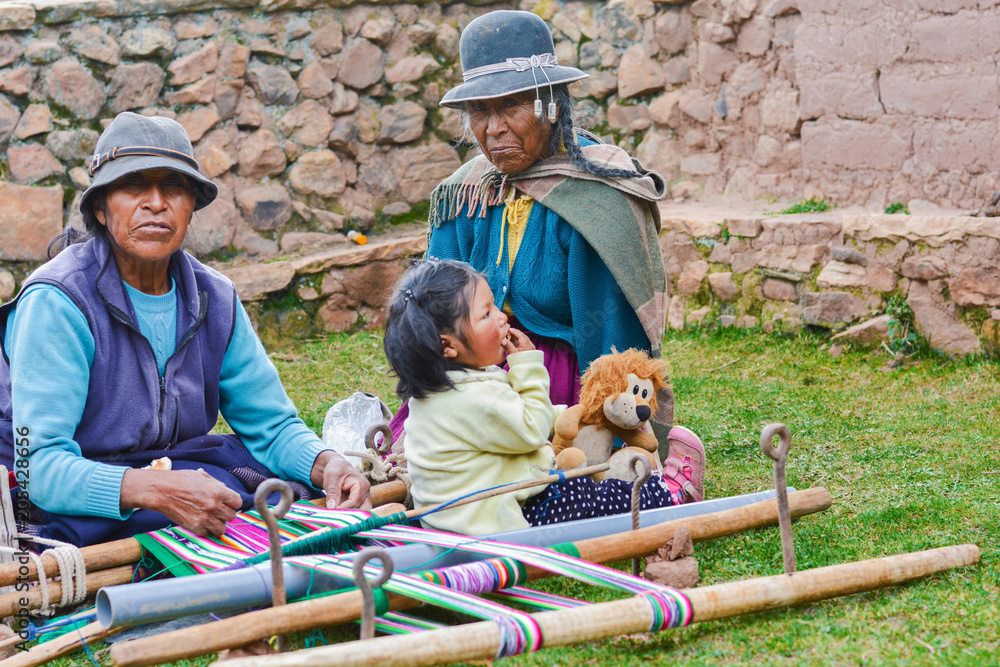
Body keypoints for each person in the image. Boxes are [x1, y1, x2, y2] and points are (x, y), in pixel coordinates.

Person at [0, 112, 370, 548]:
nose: (156, 202)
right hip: (66, 482)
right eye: (134, 185)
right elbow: (37, 465)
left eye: (173, 187)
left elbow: (271, 425)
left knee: (283, 487)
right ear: (100, 208)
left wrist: (327, 463)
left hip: (166, 464)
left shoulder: (215, 298)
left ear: (191, 206)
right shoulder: (59, 302)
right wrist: (154, 490)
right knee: (179, 518)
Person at [387, 9, 704, 499]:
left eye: (511, 107)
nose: (492, 130)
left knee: (564, 472)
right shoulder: (464, 193)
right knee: (421, 468)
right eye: (480, 112)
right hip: (470, 376)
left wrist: (617, 421)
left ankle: (659, 475)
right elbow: (428, 314)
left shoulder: (596, 198)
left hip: (556, 383)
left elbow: (612, 344)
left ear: (551, 105)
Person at [383, 259, 680, 535]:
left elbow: (517, 417)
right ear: (447, 346)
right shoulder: (475, 398)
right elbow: (533, 430)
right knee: (585, 496)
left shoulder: (442, 393)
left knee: (577, 478)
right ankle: (666, 493)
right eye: (486, 314)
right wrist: (528, 366)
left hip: (463, 522)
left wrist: (575, 415)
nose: (502, 318)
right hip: (501, 526)